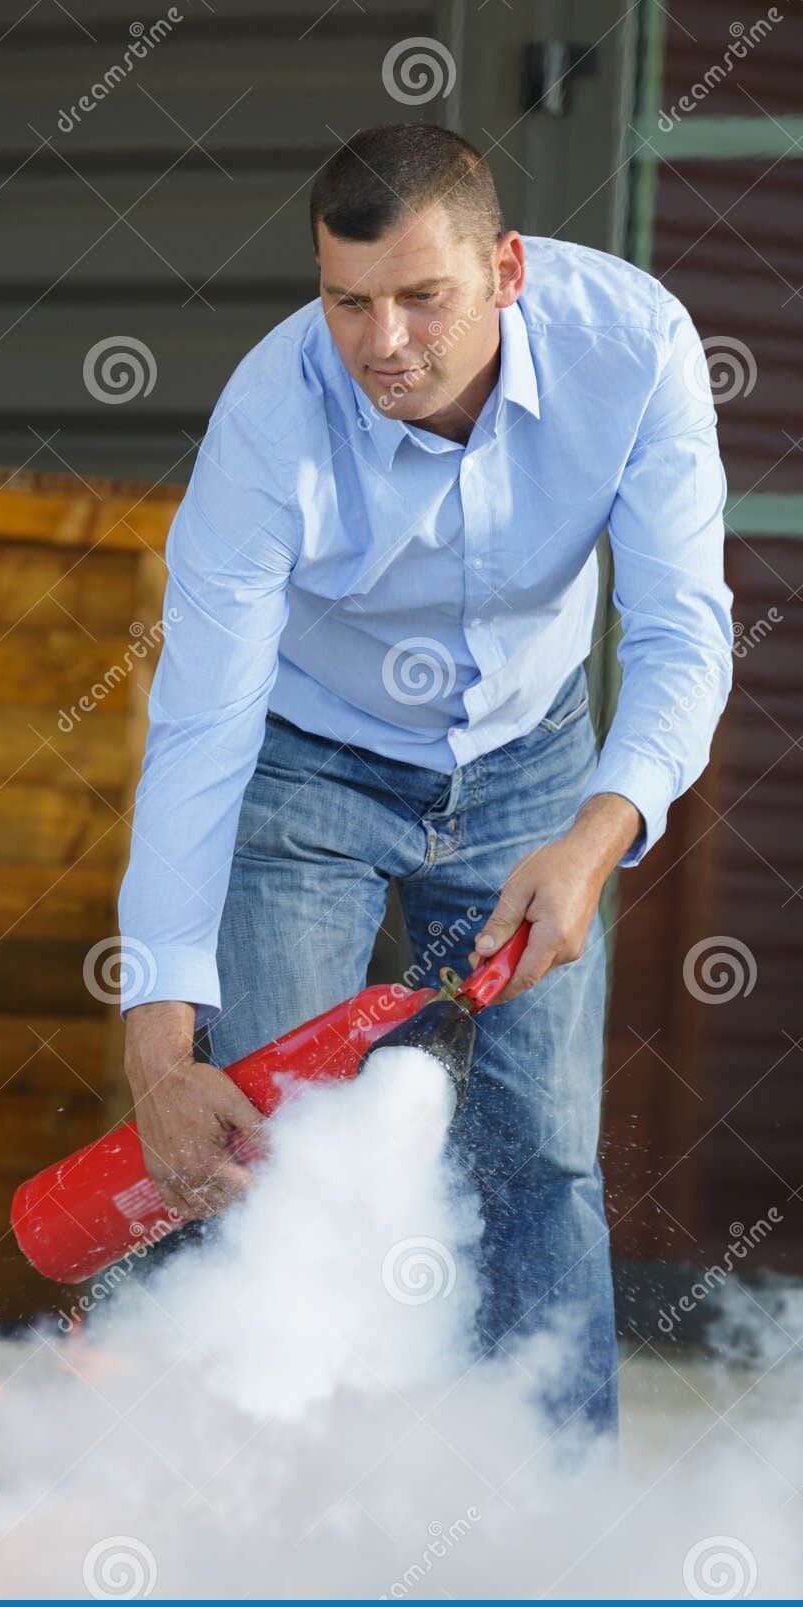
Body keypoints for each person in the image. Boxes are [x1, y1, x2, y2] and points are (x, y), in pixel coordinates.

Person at [116, 123, 732, 1433]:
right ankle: (270, 1510)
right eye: (348, 301)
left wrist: (593, 837)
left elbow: (683, 634)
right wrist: (157, 1030)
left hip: (533, 762)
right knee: (275, 1154)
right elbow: (199, 727)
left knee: (539, 1155)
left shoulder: (634, 347)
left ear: (503, 267)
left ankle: (547, 1524)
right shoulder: (267, 419)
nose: (382, 340)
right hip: (302, 768)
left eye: (420, 296)